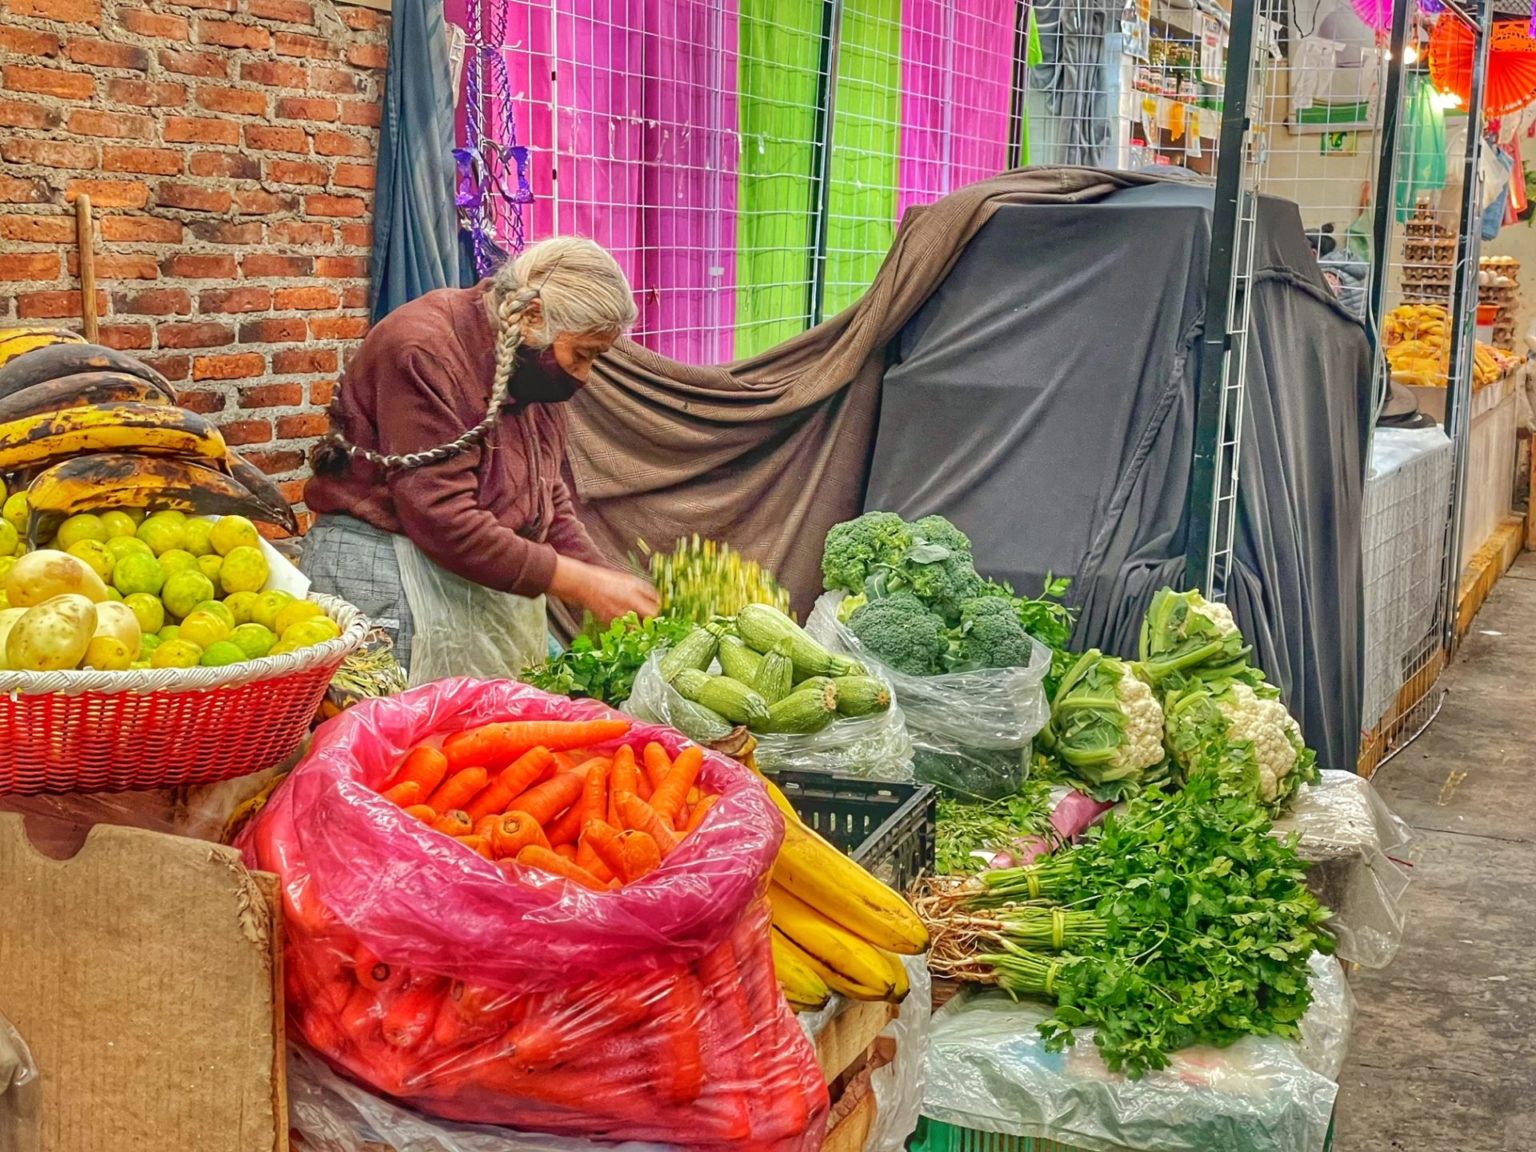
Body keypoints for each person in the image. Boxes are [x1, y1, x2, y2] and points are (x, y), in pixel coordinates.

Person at [303, 236, 660, 682]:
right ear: (533, 317)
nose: (584, 375)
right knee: (400, 736)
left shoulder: (529, 365)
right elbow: (441, 516)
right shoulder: (425, 351)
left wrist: (601, 577)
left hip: (470, 573)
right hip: (387, 572)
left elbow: (545, 496)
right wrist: (580, 583)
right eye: (583, 354)